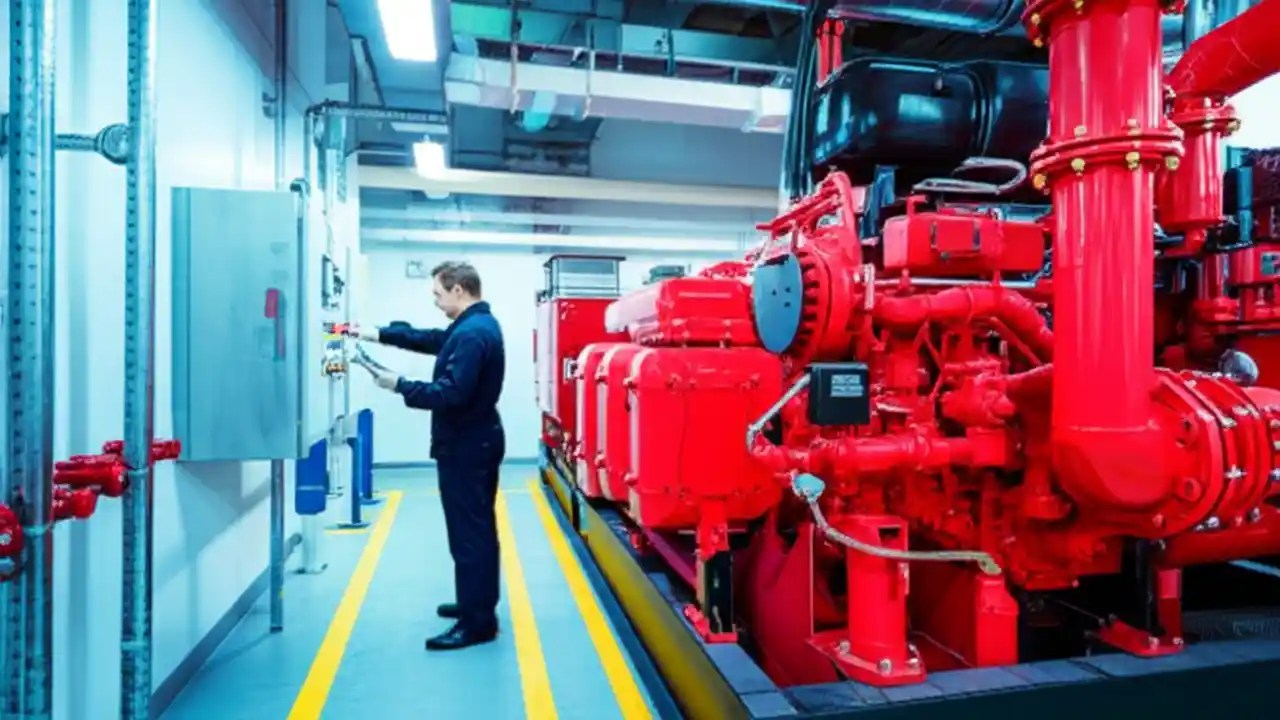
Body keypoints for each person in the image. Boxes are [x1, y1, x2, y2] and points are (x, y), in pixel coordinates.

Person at [351, 261, 506, 651]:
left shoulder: (473, 334)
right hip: (474, 439)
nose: (435, 301)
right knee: (474, 530)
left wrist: (399, 385)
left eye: (438, 294)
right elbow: (432, 339)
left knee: (470, 534)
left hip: (467, 445)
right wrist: (376, 333)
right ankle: (476, 603)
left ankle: (477, 624)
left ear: (459, 290)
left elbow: (450, 394)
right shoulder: (474, 325)